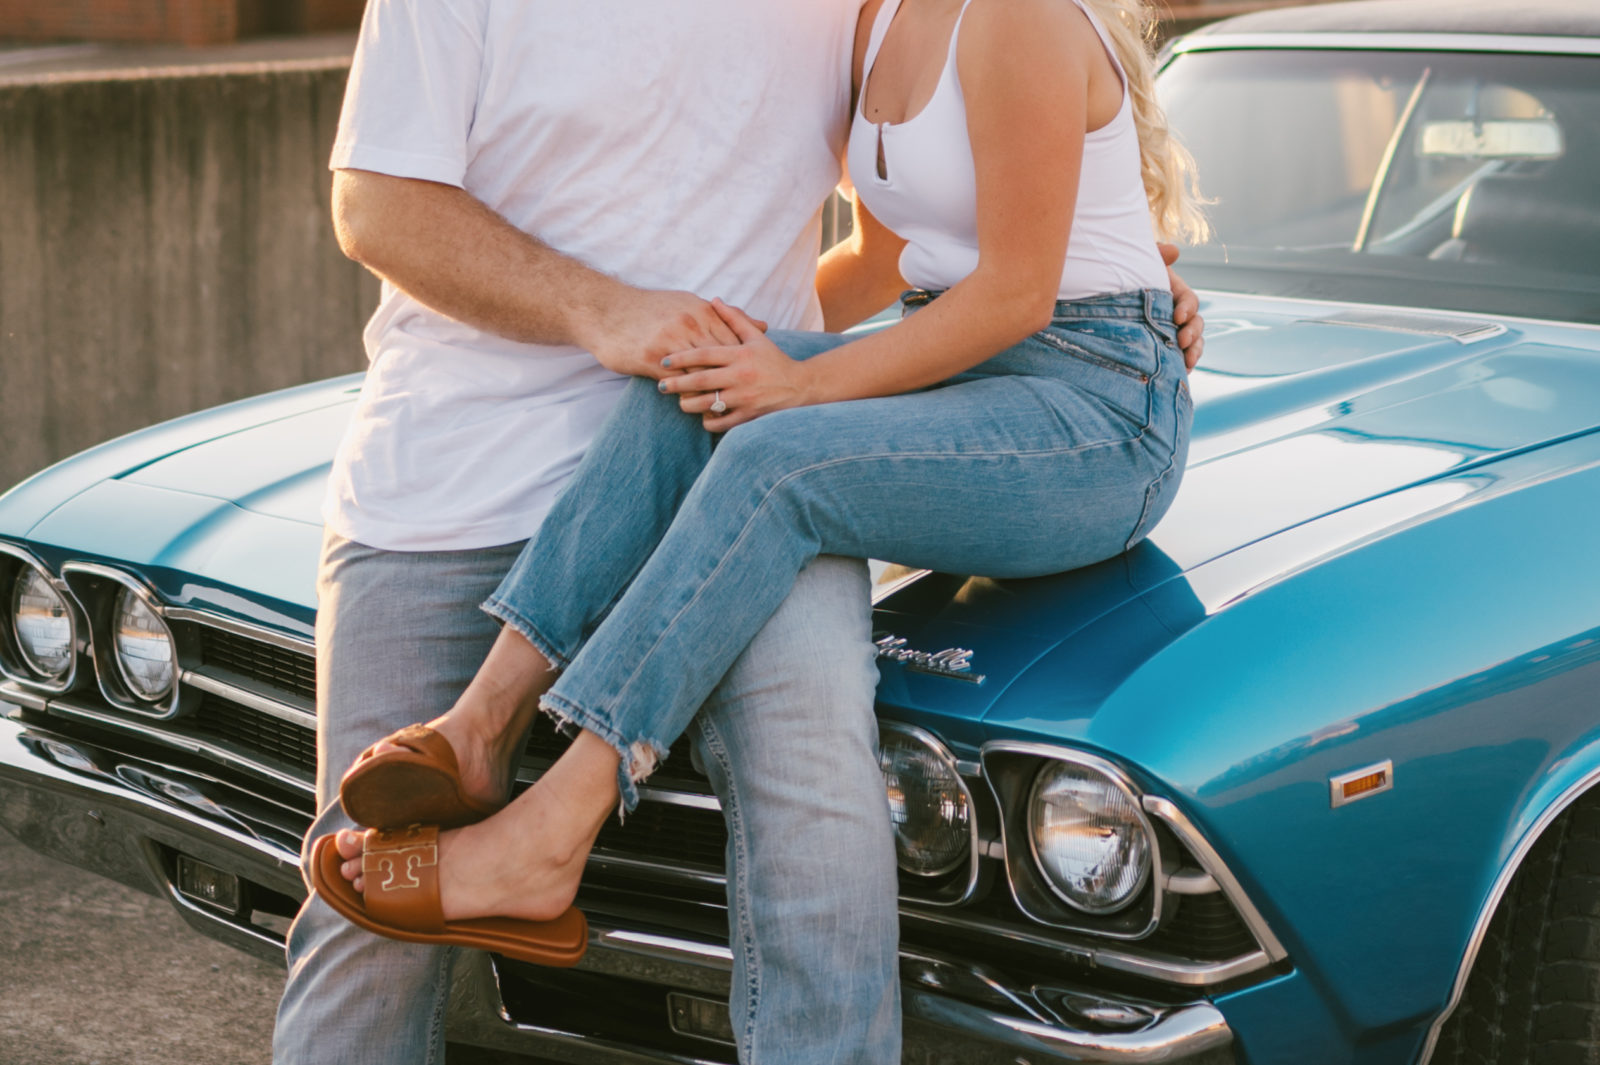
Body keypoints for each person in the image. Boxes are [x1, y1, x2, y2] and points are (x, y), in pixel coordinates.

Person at [311, 0, 1210, 993]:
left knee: (774, 458)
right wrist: (749, 359)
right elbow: (887, 258)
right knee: (697, 370)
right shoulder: (874, 20)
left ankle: (555, 828)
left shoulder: (1015, 14)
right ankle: (482, 725)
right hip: (970, 373)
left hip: (1097, 410)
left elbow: (1017, 294)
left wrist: (801, 384)